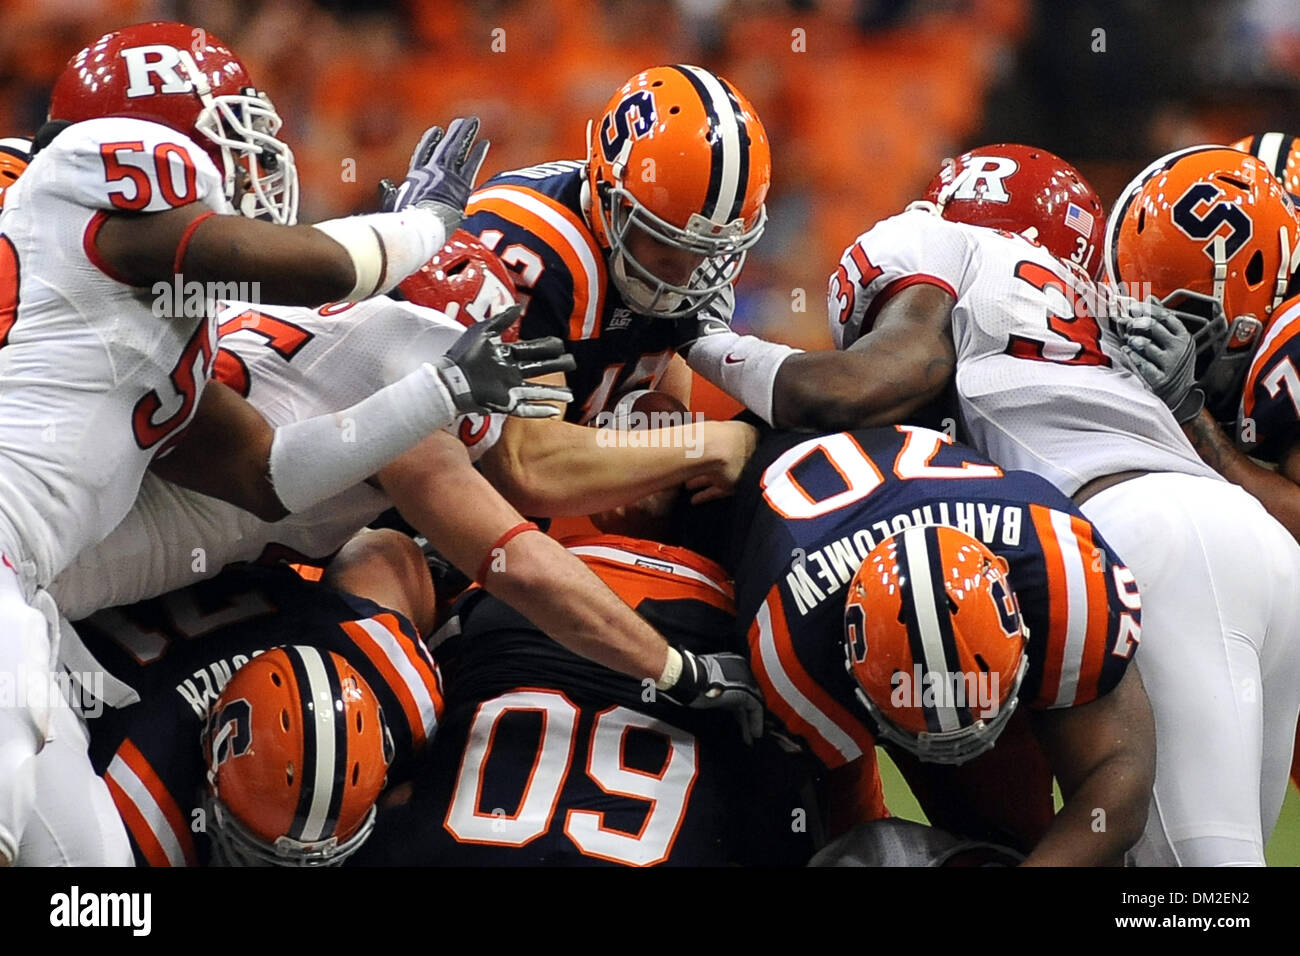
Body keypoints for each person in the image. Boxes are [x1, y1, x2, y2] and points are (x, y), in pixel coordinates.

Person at [684, 143, 1300, 865]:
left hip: (1135, 539)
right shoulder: (1089, 294)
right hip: (1252, 551)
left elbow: (867, 383)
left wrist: (704, 339)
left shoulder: (936, 239)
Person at [696, 424, 1153, 866]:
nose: (957, 750)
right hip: (777, 520)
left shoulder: (1062, 570)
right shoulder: (791, 649)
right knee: (826, 839)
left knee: (1062, 834)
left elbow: (1117, 783)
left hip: (904, 496)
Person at [74, 530, 440, 866]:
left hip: (233, 573)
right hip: (102, 590)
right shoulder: (136, 799)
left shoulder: (397, 688)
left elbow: (389, 549)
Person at [458, 64, 777, 424]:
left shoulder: (651, 254)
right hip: (432, 465)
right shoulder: (529, 240)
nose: (685, 271)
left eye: (707, 248)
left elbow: (661, 425)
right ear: (610, 198)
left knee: (666, 423)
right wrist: (724, 444)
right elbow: (527, 466)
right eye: (666, 238)